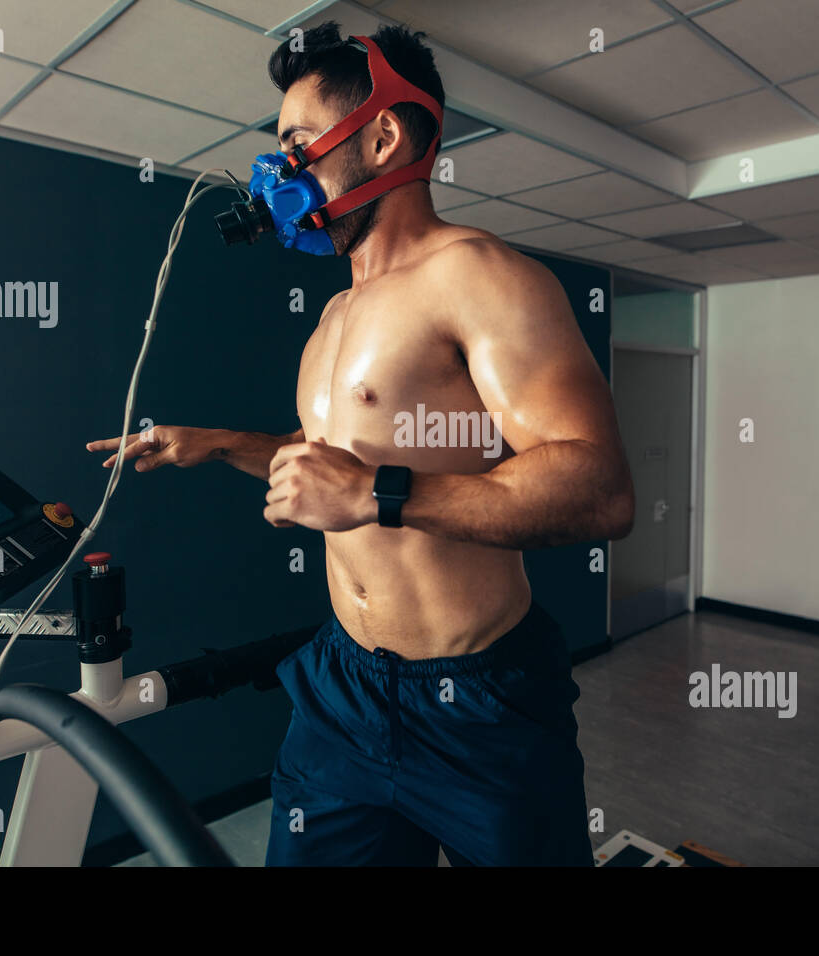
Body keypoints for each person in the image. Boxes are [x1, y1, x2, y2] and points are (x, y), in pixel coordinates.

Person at [87, 21, 634, 866]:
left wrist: (381, 495)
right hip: (343, 691)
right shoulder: (334, 317)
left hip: (479, 702)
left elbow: (598, 488)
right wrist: (220, 444)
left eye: (298, 143)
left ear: (382, 136)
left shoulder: (480, 276)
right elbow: (326, 459)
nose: (278, 173)